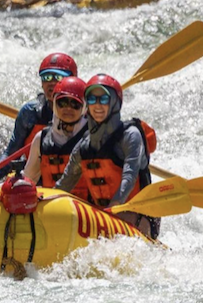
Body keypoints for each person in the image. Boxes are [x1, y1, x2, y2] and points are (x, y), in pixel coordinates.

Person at [53, 74, 159, 238]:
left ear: (115, 103)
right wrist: (44, 199)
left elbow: (129, 177)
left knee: (121, 216)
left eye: (103, 99)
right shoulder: (84, 146)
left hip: (136, 217)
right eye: (92, 99)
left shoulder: (130, 135)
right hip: (103, 220)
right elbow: (65, 183)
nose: (97, 105)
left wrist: (114, 206)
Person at [0, 52, 77, 183]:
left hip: (73, 186)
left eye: (58, 77)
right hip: (36, 182)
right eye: (46, 77)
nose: (51, 83)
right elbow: (11, 153)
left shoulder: (85, 114)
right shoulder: (30, 113)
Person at [22, 76, 87, 193]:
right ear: (55, 104)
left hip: (87, 208)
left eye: (75, 104)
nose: (68, 108)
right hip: (53, 207)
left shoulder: (94, 139)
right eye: (62, 102)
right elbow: (27, 179)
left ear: (84, 107)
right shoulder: (41, 139)